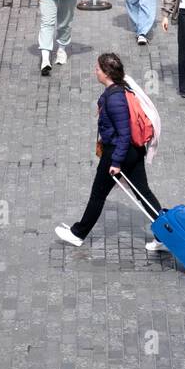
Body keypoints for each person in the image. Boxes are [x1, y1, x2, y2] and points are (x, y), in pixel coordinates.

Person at [54, 52, 166, 251]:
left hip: (118, 153)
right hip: (134, 151)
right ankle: (165, 233)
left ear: (106, 73)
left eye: (97, 69)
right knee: (143, 193)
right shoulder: (124, 87)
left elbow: (123, 133)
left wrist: (115, 162)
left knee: (98, 194)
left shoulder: (115, 100)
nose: (94, 72)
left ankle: (78, 234)